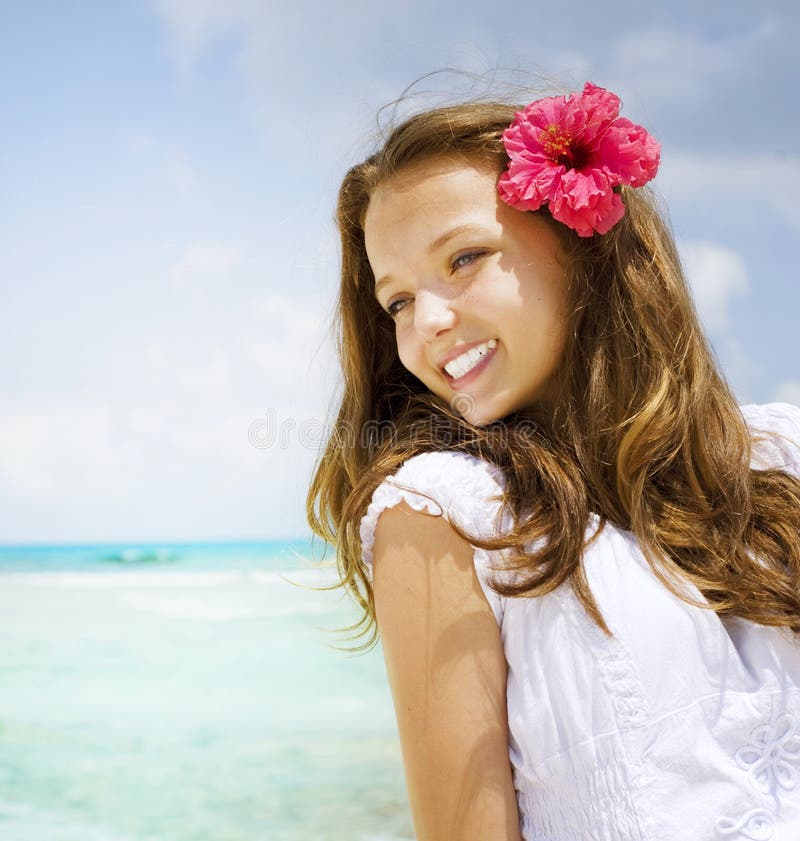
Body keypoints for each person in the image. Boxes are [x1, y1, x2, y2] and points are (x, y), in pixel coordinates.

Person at [306, 82, 800, 840]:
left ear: (584, 241)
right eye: (397, 301)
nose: (428, 323)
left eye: (464, 257)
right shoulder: (445, 512)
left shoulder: (777, 459)